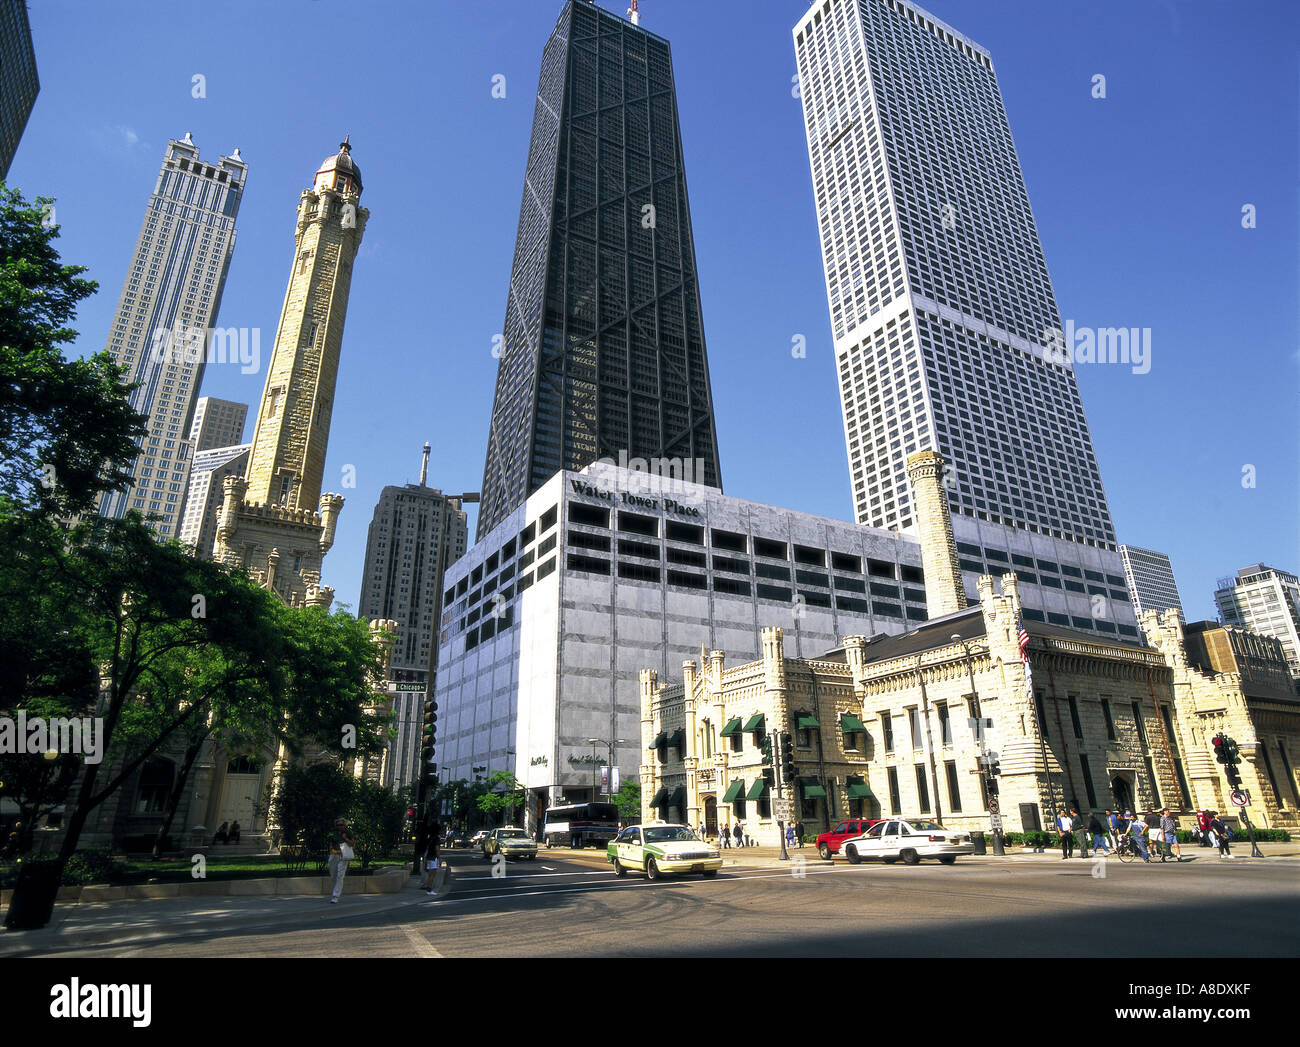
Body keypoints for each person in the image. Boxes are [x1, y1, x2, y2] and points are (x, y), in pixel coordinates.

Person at [328, 817, 355, 903]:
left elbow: (352, 844)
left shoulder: (348, 832)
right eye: (338, 825)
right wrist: (331, 848)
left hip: (343, 856)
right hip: (334, 855)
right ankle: (335, 891)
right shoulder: (334, 833)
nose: (340, 826)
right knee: (333, 876)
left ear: (344, 825)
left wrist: (345, 838)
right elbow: (331, 842)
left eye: (342, 825)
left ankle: (335, 896)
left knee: (340, 876)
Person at [423, 821, 443, 894]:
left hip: (428, 856)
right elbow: (437, 849)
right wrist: (439, 859)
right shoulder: (436, 838)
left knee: (429, 874)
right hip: (433, 857)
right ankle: (429, 889)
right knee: (433, 874)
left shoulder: (430, 837)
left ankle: (428, 888)